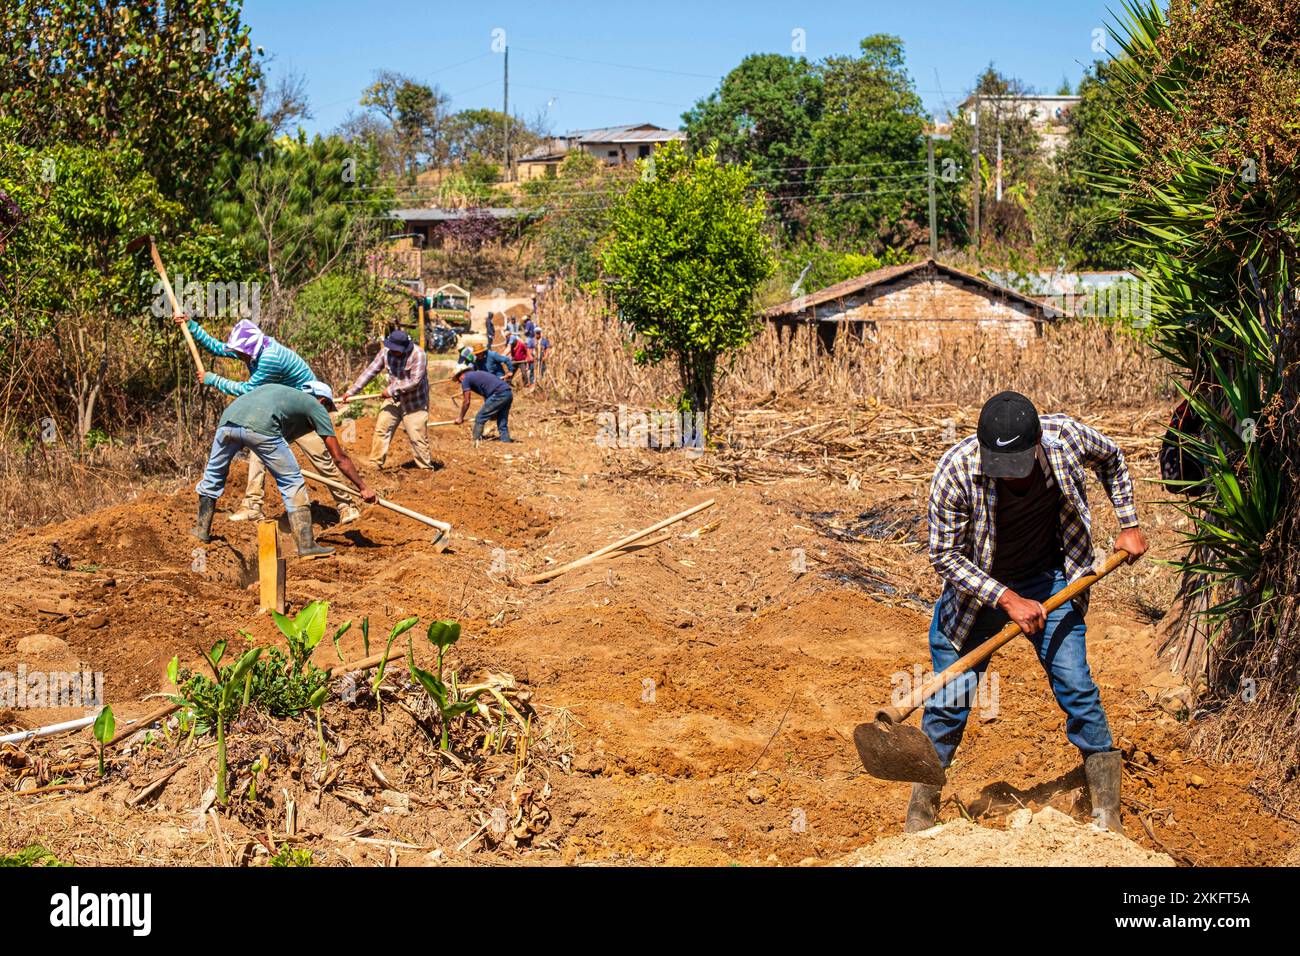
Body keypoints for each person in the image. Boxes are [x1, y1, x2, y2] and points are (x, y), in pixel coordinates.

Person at [913, 391, 1148, 835]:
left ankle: (1105, 810)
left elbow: (1113, 458)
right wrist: (1006, 599)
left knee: (1077, 685)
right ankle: (921, 813)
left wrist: (1129, 523)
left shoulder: (1066, 439)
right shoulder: (956, 470)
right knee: (949, 700)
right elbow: (944, 556)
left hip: (1049, 579)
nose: (1007, 477)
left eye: (1016, 467)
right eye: (999, 468)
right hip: (977, 592)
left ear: (1038, 445)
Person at [178, 313, 361, 524]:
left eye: (241, 353)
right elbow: (218, 348)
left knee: (321, 458)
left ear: (250, 350)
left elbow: (248, 390)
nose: (239, 357)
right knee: (259, 450)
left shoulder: (270, 358)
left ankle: (347, 505)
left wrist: (214, 379)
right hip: (281, 412)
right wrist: (191, 325)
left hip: (305, 410)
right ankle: (252, 506)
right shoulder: (253, 350)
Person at [193, 382, 376, 559]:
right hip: (261, 426)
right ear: (323, 401)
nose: (326, 413)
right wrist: (363, 487)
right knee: (292, 481)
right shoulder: (315, 406)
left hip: (228, 421)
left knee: (213, 476)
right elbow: (339, 458)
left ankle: (201, 531)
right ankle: (306, 546)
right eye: (328, 409)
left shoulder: (284, 396)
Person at [341, 329, 434, 470]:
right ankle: (375, 464)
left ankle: (425, 469)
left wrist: (390, 390)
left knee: (417, 438)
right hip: (393, 399)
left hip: (414, 402)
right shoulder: (385, 352)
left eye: (396, 350)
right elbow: (370, 371)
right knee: (382, 429)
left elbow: (415, 381)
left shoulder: (418, 354)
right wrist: (352, 391)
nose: (393, 351)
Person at [452, 361, 513, 443]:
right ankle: (506, 441)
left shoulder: (466, 379)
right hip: (508, 392)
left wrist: (461, 418)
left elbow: (466, 401)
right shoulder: (477, 374)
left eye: (458, 379)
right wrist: (492, 412)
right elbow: (487, 392)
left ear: (461, 374)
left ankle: (475, 441)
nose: (459, 382)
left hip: (499, 394)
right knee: (502, 419)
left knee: (480, 418)